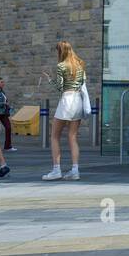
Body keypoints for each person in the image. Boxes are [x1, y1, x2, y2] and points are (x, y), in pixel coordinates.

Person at [42, 41, 86, 181]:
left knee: (54, 136)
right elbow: (82, 83)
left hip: (67, 100)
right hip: (78, 100)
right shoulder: (79, 65)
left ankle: (56, 169)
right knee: (72, 137)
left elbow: (60, 87)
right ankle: (75, 170)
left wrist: (49, 80)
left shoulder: (61, 66)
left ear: (60, 52)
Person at [0, 77, 14, 151]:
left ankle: (8, 146)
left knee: (8, 127)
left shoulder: (3, 92)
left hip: (4, 113)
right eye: (1, 82)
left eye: (3, 82)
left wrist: (7, 105)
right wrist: (3, 103)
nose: (3, 84)